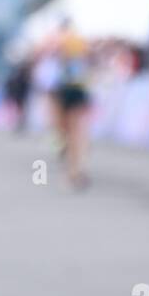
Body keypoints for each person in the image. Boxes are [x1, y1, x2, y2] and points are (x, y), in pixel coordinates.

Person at [47, 19, 92, 188]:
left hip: (65, 89)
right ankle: (77, 167)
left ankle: (74, 168)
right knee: (76, 130)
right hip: (77, 88)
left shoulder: (57, 41)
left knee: (68, 131)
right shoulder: (79, 41)